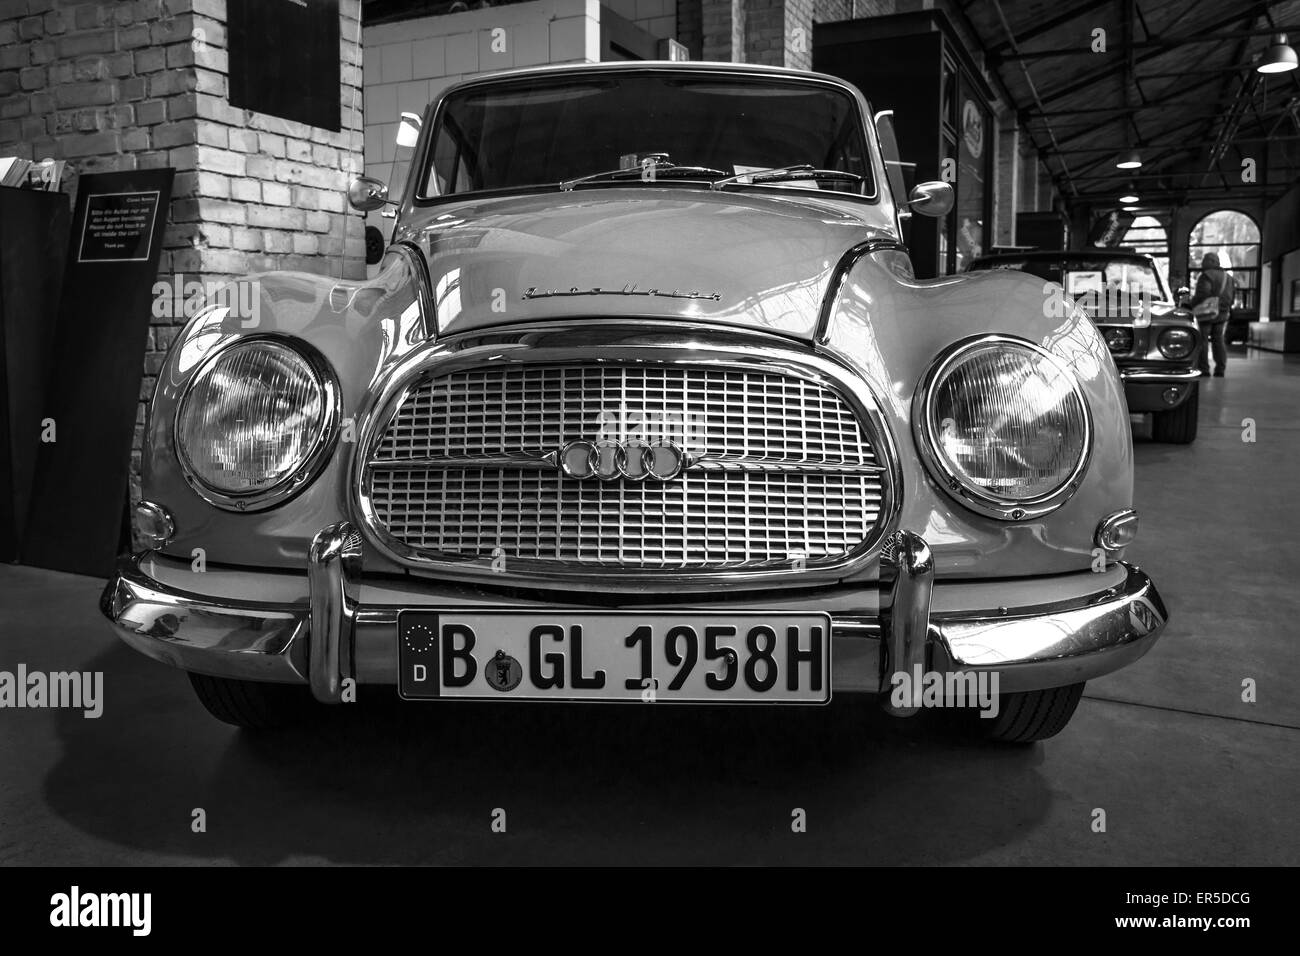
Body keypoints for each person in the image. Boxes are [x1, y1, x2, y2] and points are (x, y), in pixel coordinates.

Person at [1188, 252, 1235, 377]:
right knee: (1219, 340)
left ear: (1212, 262)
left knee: (1202, 340)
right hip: (1223, 313)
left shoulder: (1206, 275)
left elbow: (1202, 294)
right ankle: (1220, 369)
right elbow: (1232, 297)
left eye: (1205, 260)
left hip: (1207, 313)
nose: (1203, 263)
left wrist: (1191, 305)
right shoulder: (1228, 277)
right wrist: (1223, 308)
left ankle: (1204, 369)